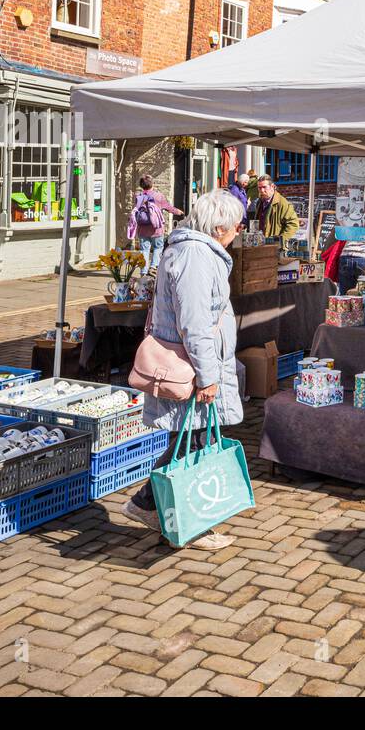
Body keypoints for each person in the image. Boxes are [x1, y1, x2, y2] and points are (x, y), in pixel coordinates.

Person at [122, 188, 248, 551]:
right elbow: (193, 323)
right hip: (192, 368)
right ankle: (166, 513)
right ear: (220, 226)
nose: (239, 231)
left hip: (197, 365)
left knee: (193, 442)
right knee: (193, 443)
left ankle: (164, 514)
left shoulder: (195, 251)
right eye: (236, 225)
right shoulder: (195, 255)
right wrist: (207, 377)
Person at [126, 175, 183, 274]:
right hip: (156, 228)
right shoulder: (158, 196)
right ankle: (153, 267)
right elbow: (169, 207)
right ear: (152, 184)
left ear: (141, 185)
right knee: (158, 247)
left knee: (144, 249)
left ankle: (143, 271)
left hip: (142, 229)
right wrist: (179, 212)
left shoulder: (138, 196)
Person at [253, 175, 299, 250]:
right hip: (260, 244)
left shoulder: (283, 203)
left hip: (274, 247)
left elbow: (293, 224)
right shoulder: (259, 201)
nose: (262, 190)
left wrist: (280, 241)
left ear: (272, 186)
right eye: (259, 188)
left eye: (264, 187)